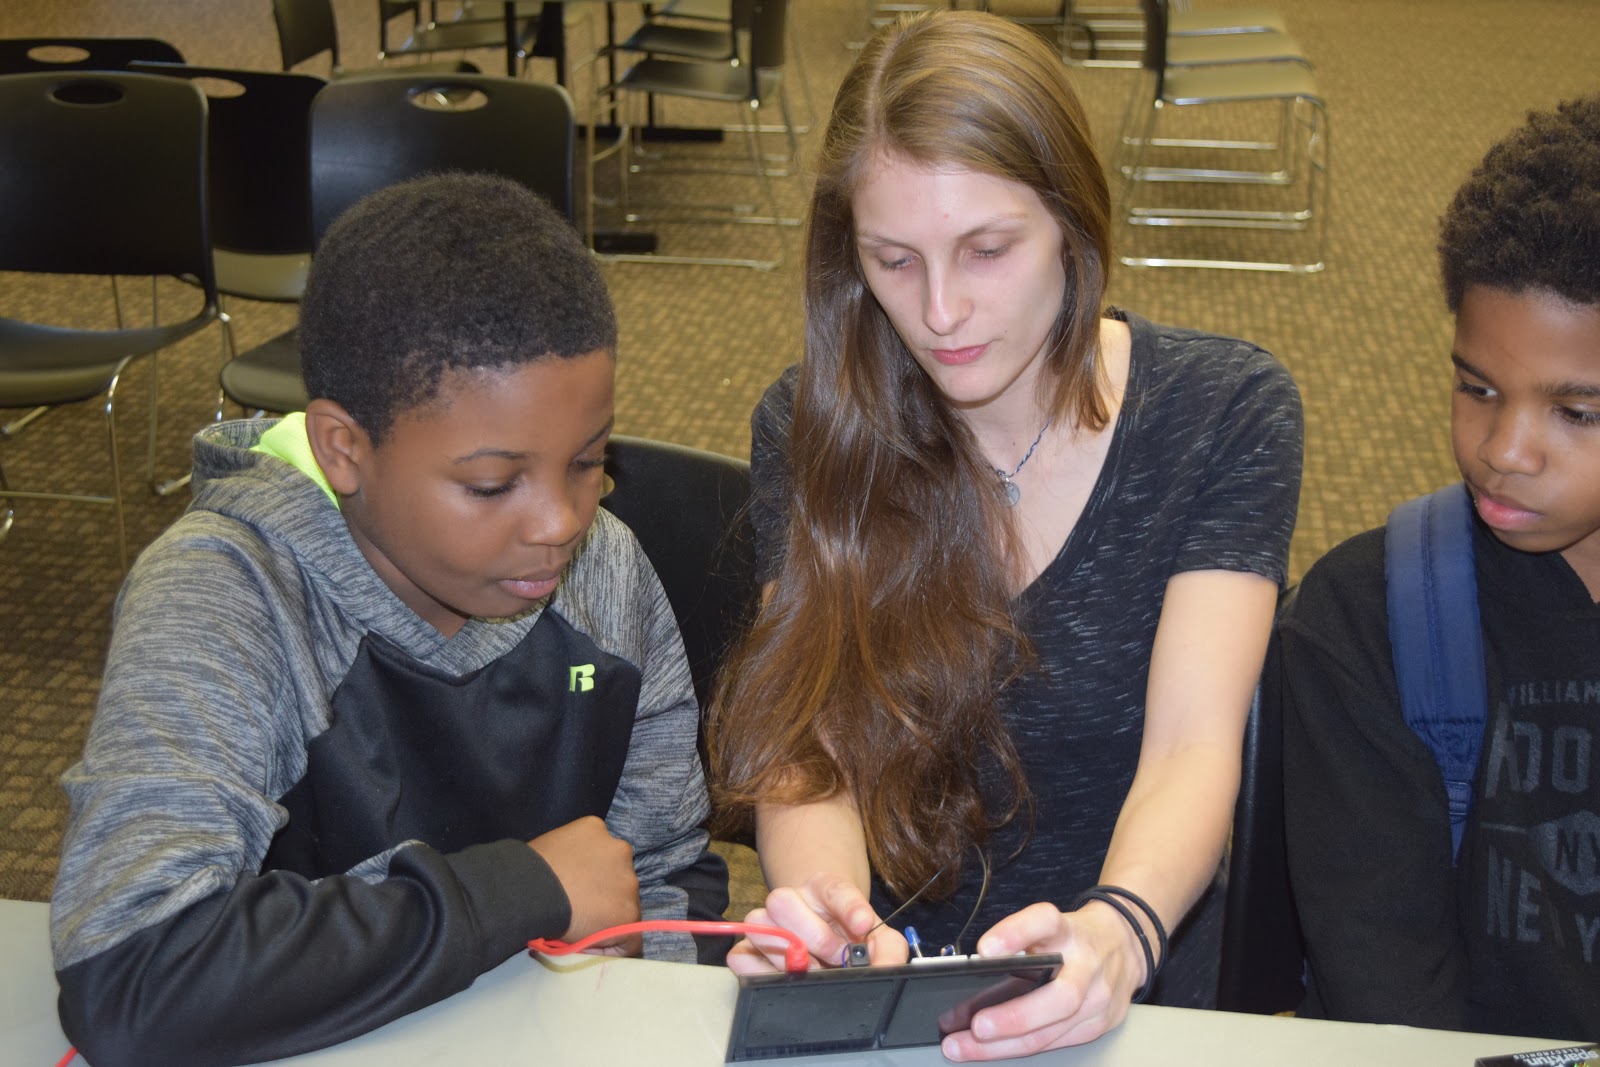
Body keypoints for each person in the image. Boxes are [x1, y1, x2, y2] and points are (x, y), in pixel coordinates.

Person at [707, 11, 1303, 1060]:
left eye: (986, 250)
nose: (939, 312)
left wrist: (1118, 927)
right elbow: (810, 743)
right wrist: (824, 913)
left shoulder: (1225, 409)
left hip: (1128, 993)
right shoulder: (808, 424)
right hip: (899, 994)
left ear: (1073, 223)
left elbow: (1190, 745)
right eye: (892, 261)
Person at [49, 173, 727, 1067]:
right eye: (491, 485)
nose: (561, 521)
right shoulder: (227, 592)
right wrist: (518, 891)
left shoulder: (604, 569)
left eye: (590, 461)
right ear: (345, 449)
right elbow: (134, 972)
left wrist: (654, 990)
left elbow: (669, 873)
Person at [1279, 95, 1600, 1040]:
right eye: (1477, 388)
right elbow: (1387, 994)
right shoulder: (1372, 615)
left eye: (1577, 412)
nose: (1505, 448)